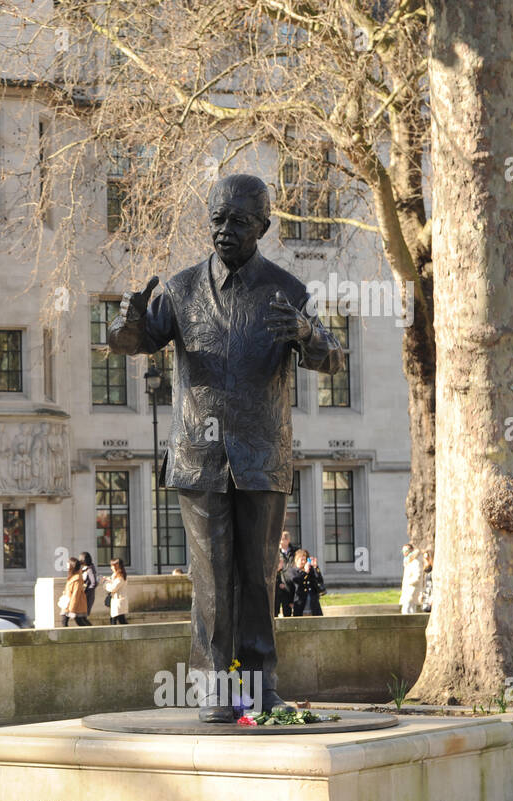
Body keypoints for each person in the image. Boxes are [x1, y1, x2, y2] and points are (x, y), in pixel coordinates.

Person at [108, 173, 345, 722]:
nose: (226, 230)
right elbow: (136, 341)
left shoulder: (288, 290)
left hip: (262, 455)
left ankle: (260, 688)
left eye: (239, 221)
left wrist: (306, 336)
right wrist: (125, 323)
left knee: (259, 574)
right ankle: (215, 686)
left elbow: (332, 356)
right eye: (218, 219)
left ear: (263, 225)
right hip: (198, 456)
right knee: (211, 576)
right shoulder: (182, 288)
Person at [291, 550, 326, 616]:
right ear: (296, 560)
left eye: (305, 560)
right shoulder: (293, 571)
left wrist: (315, 567)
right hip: (300, 602)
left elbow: (319, 579)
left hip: (312, 601)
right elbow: (297, 580)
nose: (303, 562)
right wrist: (305, 571)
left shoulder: (311, 570)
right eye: (302, 560)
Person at [59, 558, 90, 626]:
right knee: (78, 621)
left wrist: (72, 609)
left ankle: (92, 633)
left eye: (68, 564)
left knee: (78, 621)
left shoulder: (77, 579)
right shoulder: (73, 577)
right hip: (68, 603)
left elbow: (76, 595)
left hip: (73, 605)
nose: (67, 566)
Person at [102, 558, 131, 624]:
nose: (111, 567)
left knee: (115, 620)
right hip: (116, 601)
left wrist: (105, 583)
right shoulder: (116, 575)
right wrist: (108, 580)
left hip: (118, 601)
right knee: (120, 620)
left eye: (112, 565)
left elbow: (113, 588)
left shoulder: (120, 577)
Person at [399, 544, 423, 614]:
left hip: (412, 589)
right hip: (407, 589)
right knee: (409, 608)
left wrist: (408, 583)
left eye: (406, 550)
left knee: (407, 608)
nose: (404, 553)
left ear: (411, 551)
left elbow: (417, 576)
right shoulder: (407, 562)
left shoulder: (416, 562)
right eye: (403, 551)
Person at [79, 552, 98, 618]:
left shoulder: (90, 569)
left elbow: (94, 583)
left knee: (84, 615)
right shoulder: (85, 568)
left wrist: (87, 590)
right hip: (85, 594)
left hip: (88, 595)